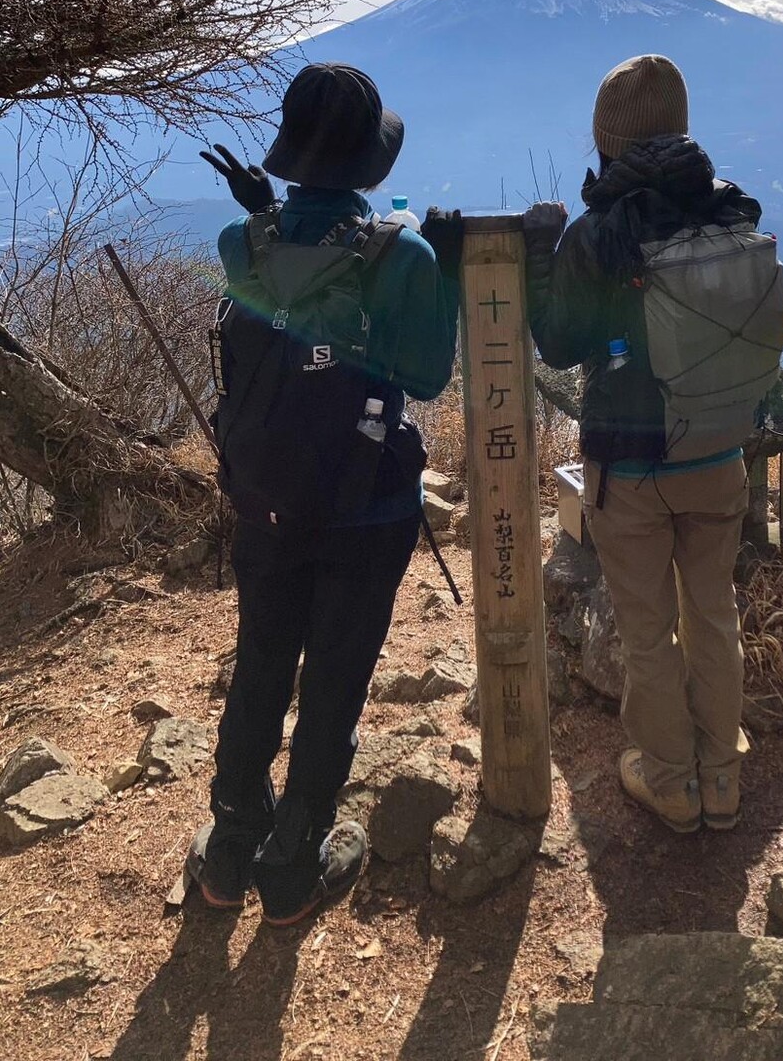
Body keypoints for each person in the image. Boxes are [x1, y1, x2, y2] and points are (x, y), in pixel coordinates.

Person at [187, 61, 462, 926]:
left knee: (263, 656)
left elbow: (276, 297)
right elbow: (424, 373)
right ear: (368, 161)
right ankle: (295, 860)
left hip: (265, 495)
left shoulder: (246, 242)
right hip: (367, 502)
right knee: (337, 672)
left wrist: (266, 212)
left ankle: (229, 850)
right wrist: (436, 276)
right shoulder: (402, 253)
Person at [523, 54, 783, 835]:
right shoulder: (730, 211)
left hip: (631, 465)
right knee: (713, 613)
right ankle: (723, 779)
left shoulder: (600, 232)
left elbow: (562, 344)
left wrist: (541, 253)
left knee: (646, 628)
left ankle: (671, 782)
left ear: (606, 136)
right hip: (717, 452)